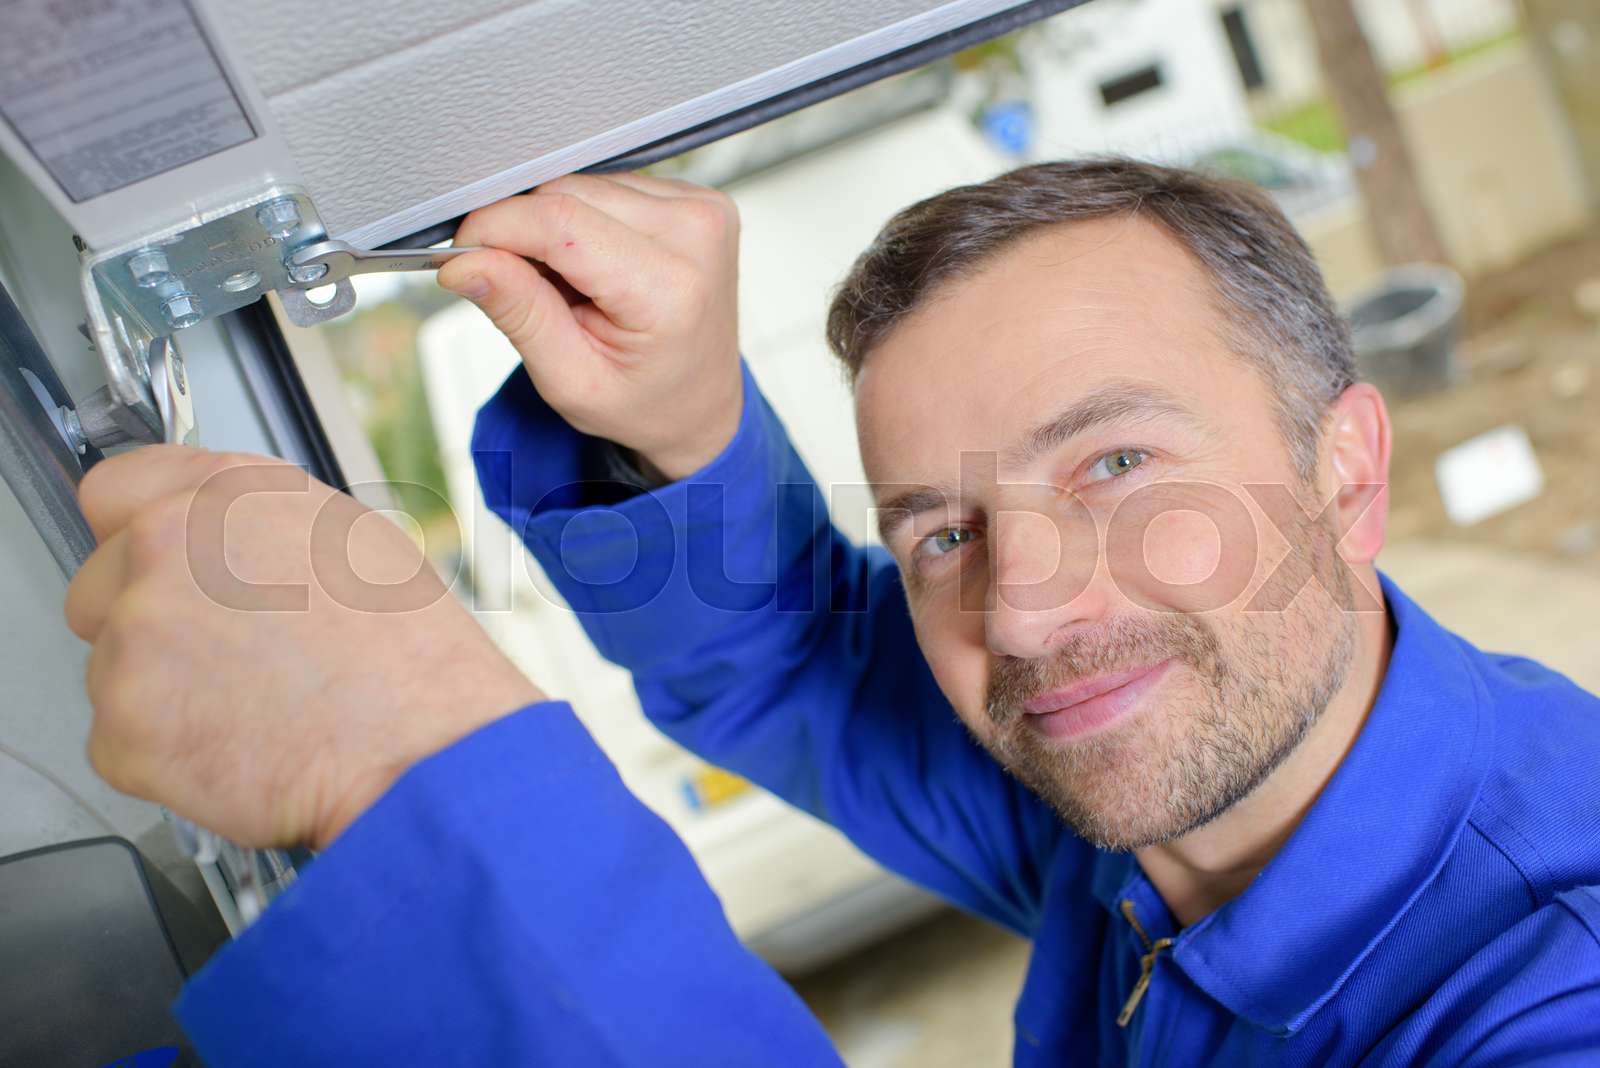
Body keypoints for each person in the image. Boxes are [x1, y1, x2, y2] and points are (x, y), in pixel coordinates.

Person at [64, 161, 1600, 1065]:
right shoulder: (1154, 801)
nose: (1032, 609)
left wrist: (414, 779)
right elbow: (806, 654)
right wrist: (673, 422)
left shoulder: (1557, 991)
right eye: (940, 531)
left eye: (1118, 463)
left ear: (1346, 469)